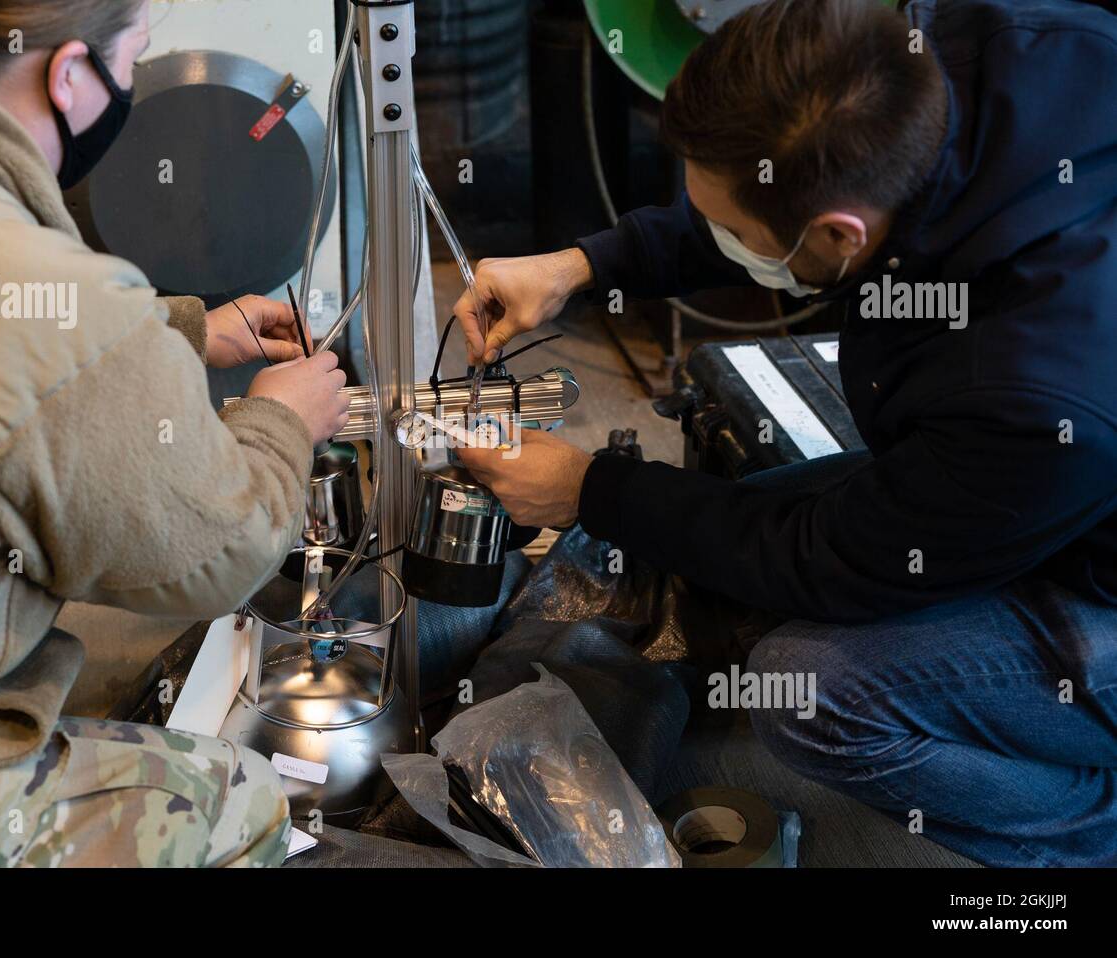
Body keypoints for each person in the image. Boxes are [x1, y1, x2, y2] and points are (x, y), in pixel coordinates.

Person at [455, 0, 1117, 866]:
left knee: (812, 690)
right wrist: (587, 264)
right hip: (1035, 478)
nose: (723, 238)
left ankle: (1083, 825)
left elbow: (826, 558)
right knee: (717, 538)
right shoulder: (951, 52)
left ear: (844, 235)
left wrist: (587, 489)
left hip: (1094, 562)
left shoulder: (1032, 395)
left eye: (735, 233)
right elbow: (767, 193)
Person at [0, 0, 349, 867]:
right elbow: (225, 545)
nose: (135, 81)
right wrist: (282, 423)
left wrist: (177, 330)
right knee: (239, 797)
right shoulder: (56, 298)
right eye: (134, 54)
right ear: (67, 75)